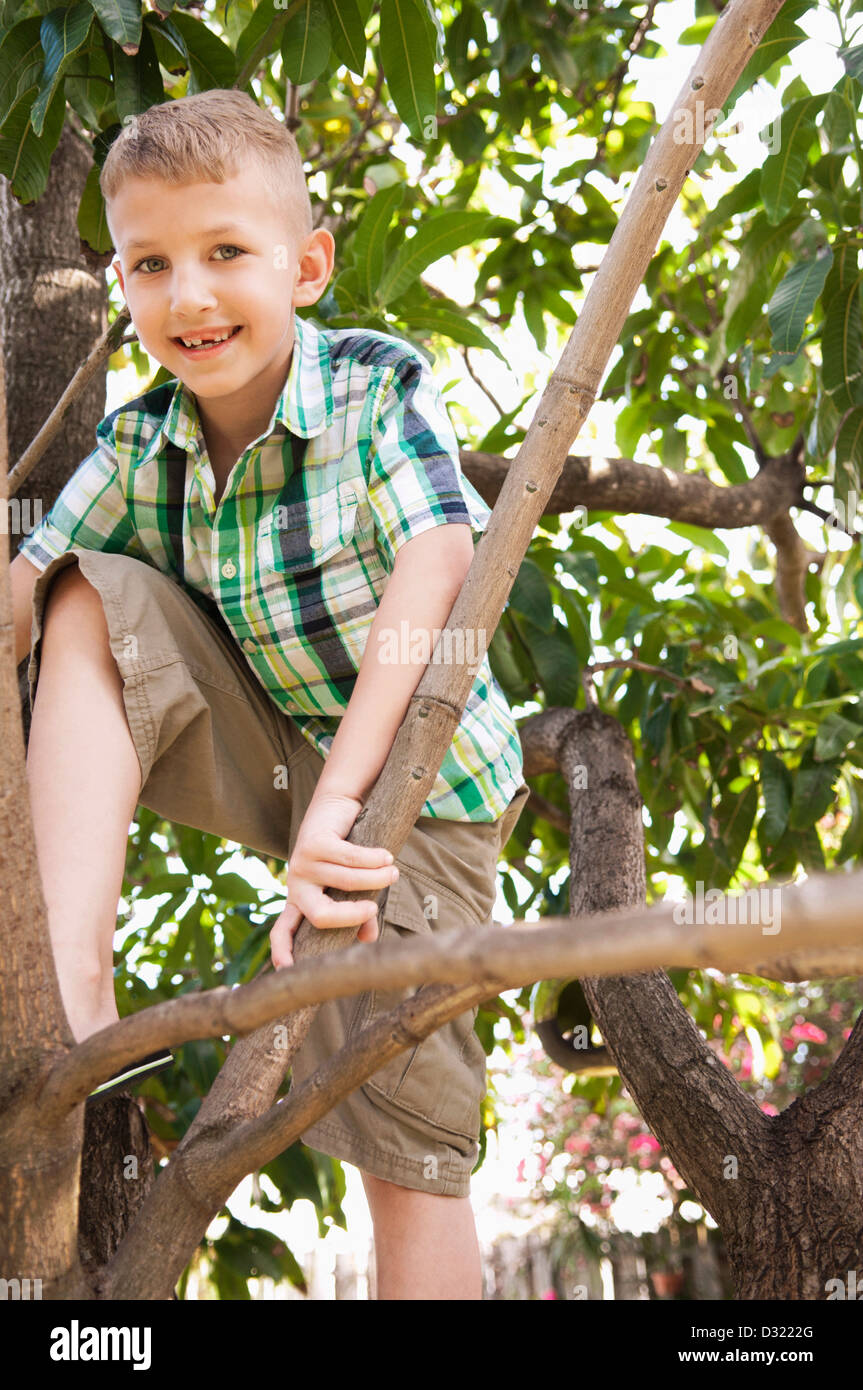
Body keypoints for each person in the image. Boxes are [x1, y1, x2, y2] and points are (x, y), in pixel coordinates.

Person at [9, 88, 529, 1300]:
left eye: (225, 254)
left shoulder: (370, 385)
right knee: (88, 586)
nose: (187, 296)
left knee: (400, 1140)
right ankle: (65, 986)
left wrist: (339, 810)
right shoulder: (143, 441)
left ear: (306, 266)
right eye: (150, 264)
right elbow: (25, 585)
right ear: (124, 287)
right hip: (276, 750)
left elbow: (439, 562)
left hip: (416, 789)